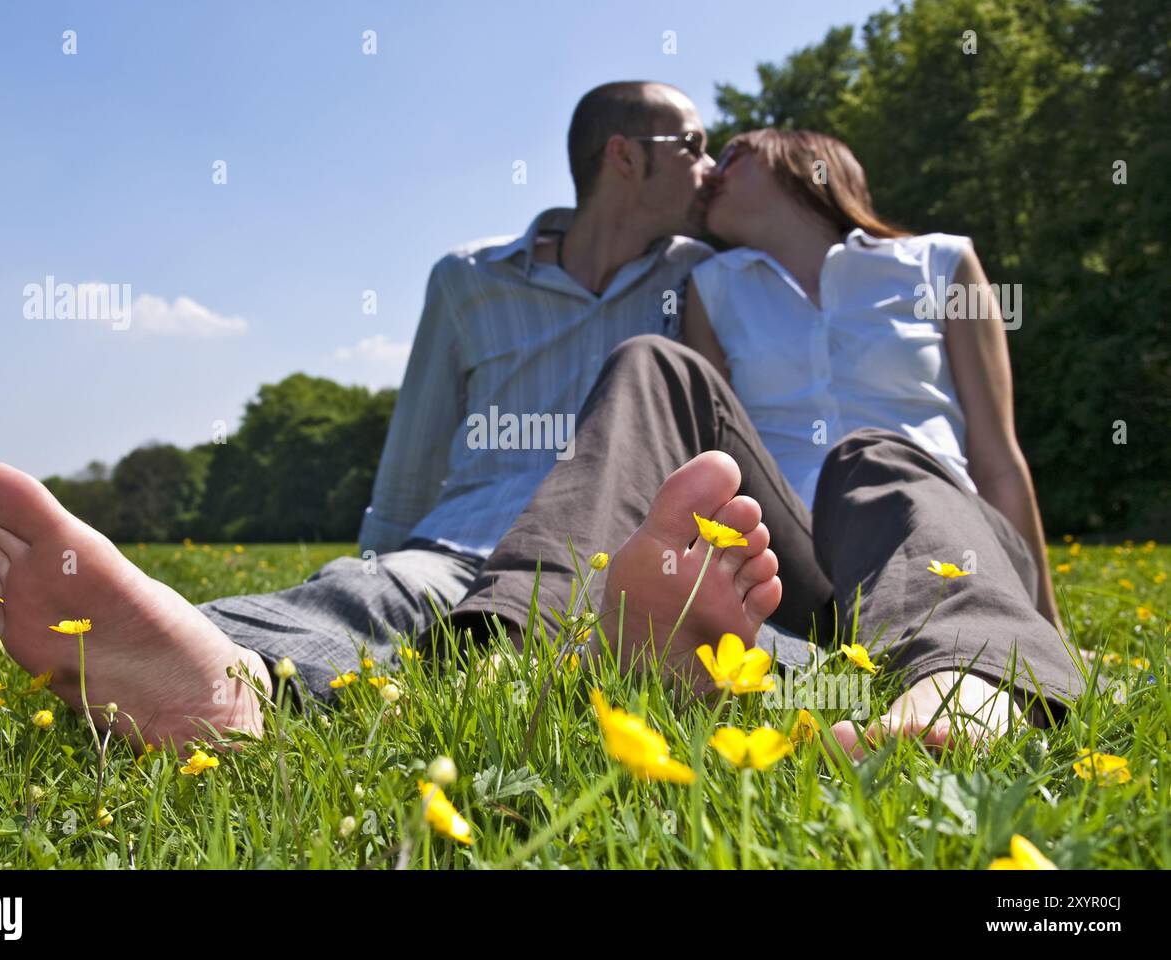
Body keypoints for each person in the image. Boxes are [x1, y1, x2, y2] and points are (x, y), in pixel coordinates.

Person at [0, 81, 716, 750]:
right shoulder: (469, 280)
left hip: (614, 554)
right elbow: (418, 440)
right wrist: (382, 555)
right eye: (693, 145)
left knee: (513, 624)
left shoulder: (707, 276)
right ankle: (214, 662)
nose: (710, 166)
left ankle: (261, 681)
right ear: (622, 155)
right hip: (458, 545)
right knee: (354, 599)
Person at [450, 128, 1089, 758]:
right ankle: (511, 642)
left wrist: (1045, 628)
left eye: (734, 154)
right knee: (652, 360)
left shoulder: (941, 262)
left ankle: (968, 680)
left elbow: (999, 455)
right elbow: (697, 448)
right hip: (791, 564)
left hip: (938, 540)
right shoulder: (714, 286)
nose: (712, 171)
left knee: (875, 454)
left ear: (807, 163)